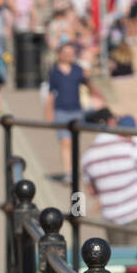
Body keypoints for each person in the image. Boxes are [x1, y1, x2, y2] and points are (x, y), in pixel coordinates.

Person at [80, 108, 137, 245]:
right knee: (135, 260)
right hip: (134, 209)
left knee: (117, 255)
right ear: (112, 122)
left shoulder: (88, 157)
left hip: (110, 213)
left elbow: (91, 190)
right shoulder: (129, 146)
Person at [44, 41, 99, 181]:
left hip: (76, 110)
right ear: (60, 55)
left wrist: (88, 78)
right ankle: (68, 172)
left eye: (71, 53)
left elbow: (89, 88)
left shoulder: (78, 69)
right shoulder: (54, 72)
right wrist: (48, 113)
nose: (69, 56)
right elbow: (51, 94)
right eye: (66, 53)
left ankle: (74, 170)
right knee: (65, 141)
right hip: (61, 110)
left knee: (74, 142)